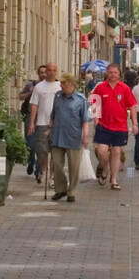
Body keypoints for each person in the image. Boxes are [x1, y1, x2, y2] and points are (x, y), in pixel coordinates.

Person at [92, 63, 138, 189]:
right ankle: (104, 168)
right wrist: (96, 120)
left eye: (115, 72)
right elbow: (95, 103)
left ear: (119, 74)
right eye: (110, 72)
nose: (112, 74)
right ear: (107, 73)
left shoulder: (124, 88)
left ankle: (114, 179)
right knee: (101, 151)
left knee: (116, 151)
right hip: (103, 125)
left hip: (120, 125)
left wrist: (134, 123)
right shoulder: (100, 87)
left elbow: (133, 105)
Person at [49, 74, 92, 202]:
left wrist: (85, 136)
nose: (61, 86)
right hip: (57, 135)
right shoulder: (57, 96)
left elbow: (85, 120)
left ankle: (71, 191)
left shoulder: (80, 99)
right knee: (56, 164)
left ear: (71, 85)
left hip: (73, 136)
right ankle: (60, 189)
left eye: (63, 84)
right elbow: (53, 115)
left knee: (74, 166)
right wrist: (48, 129)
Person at [28, 63, 61, 184]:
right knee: (41, 151)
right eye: (49, 70)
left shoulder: (60, 86)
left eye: (54, 70)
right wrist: (32, 123)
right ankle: (43, 168)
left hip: (57, 124)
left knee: (55, 152)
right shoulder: (39, 87)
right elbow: (34, 105)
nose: (51, 72)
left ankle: (52, 176)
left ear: (56, 72)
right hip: (41, 122)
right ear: (46, 71)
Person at [21, 65, 47, 176]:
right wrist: (31, 92)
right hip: (30, 118)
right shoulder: (30, 85)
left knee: (41, 146)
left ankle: (39, 169)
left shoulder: (49, 87)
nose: (43, 74)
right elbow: (20, 97)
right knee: (30, 144)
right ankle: (30, 161)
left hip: (43, 119)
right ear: (38, 73)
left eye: (45, 72)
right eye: (41, 72)